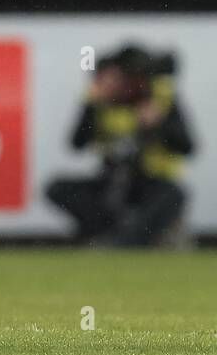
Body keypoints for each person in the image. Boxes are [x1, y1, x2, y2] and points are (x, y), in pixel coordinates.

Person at [46, 45, 195, 246]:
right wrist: (91, 106)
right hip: (113, 182)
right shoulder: (98, 101)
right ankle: (110, 233)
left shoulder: (162, 98)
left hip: (152, 182)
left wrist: (160, 124)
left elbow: (187, 147)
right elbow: (77, 144)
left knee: (174, 194)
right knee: (58, 188)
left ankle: (128, 241)